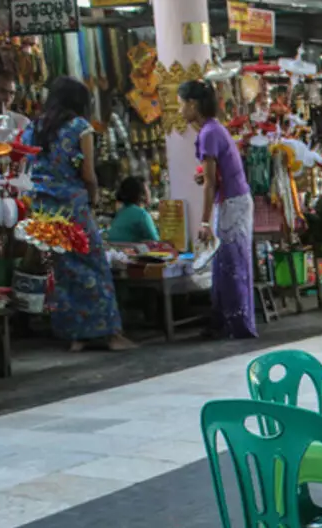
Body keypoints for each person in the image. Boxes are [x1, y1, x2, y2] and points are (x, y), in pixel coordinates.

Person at [22, 76, 133, 352]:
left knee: (63, 271)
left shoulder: (34, 128)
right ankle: (109, 333)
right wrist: (93, 197)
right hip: (73, 206)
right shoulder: (80, 128)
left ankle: (75, 336)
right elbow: (88, 174)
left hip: (44, 210)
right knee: (95, 266)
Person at [179, 79, 257, 339]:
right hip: (235, 200)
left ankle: (237, 324)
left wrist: (203, 222)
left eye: (181, 104)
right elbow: (213, 176)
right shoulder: (212, 129)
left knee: (231, 263)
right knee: (226, 263)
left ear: (193, 104)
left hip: (231, 203)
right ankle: (226, 322)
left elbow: (211, 184)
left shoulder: (209, 133)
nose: (179, 110)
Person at [106, 176, 160, 244]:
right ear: (142, 194)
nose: (149, 192)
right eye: (148, 189)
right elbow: (156, 241)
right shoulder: (142, 215)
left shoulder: (121, 212)